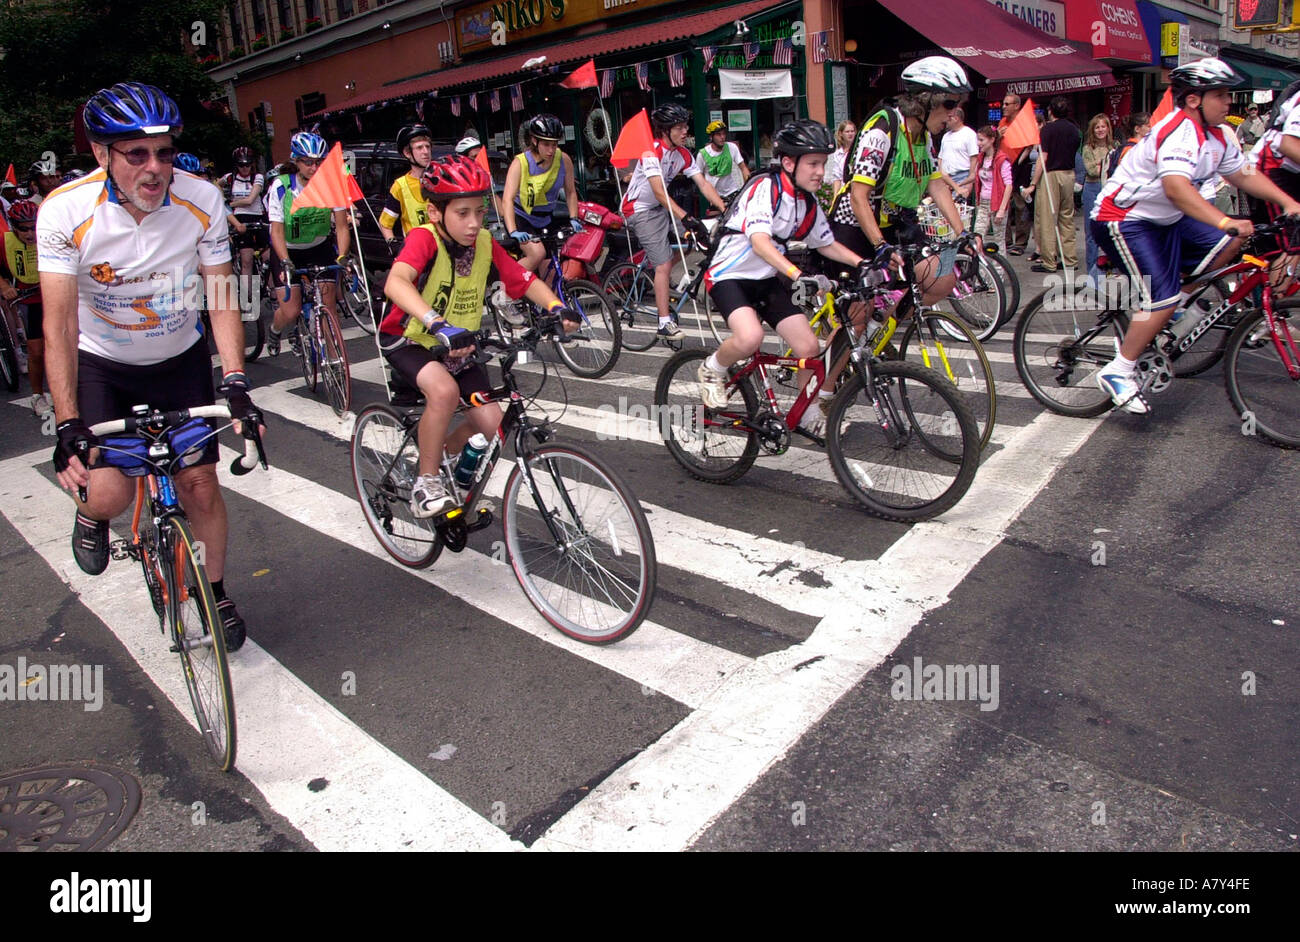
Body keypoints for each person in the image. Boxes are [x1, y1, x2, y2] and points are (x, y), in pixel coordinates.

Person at [38, 82, 261, 649]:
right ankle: (94, 516)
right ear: (101, 154)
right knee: (109, 493)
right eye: (136, 153)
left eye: (163, 152)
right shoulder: (64, 212)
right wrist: (66, 422)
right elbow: (60, 324)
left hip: (178, 358)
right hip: (104, 365)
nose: (155, 167)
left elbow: (222, 296)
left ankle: (212, 591)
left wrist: (235, 380)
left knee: (201, 485)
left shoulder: (202, 199)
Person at [1091, 58, 1300, 414]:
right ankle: (1119, 369)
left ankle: (1176, 304)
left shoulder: (1218, 136)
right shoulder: (1180, 132)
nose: (1228, 102)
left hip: (1167, 218)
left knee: (1232, 243)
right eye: (1220, 95)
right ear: (1193, 100)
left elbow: (1245, 174)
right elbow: (1176, 189)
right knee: (1165, 294)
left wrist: (1288, 202)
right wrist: (1222, 220)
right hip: (1125, 218)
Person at [378, 155, 579, 517]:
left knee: (491, 424)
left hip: (459, 344)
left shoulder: (484, 243)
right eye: (462, 213)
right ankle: (426, 482)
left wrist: (556, 307)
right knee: (444, 391)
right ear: (436, 212)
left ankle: (439, 459)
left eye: (479, 211)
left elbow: (523, 280)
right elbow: (396, 282)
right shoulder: (424, 239)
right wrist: (436, 322)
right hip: (410, 339)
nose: (473, 223)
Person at [696, 120, 870, 435]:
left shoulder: (807, 202)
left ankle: (807, 414)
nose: (821, 171)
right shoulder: (766, 188)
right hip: (728, 276)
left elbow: (827, 244)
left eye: (824, 163)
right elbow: (760, 242)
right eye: (813, 163)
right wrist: (798, 274)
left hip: (763, 280)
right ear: (789, 163)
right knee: (750, 338)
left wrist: (865, 263)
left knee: (807, 346)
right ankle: (712, 368)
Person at [827, 55, 975, 310]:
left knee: (943, 277)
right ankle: (854, 342)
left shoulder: (924, 136)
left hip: (895, 223)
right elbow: (858, 196)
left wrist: (964, 234)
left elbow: (937, 185)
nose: (953, 113)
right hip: (856, 226)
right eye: (949, 103)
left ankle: (882, 336)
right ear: (925, 101)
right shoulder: (882, 132)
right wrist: (880, 247)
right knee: (858, 314)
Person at [621, 102, 726, 338]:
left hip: (663, 207)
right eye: (679, 127)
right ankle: (663, 322)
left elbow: (703, 184)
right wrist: (685, 216)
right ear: (665, 130)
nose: (685, 131)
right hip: (639, 210)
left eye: (685, 126)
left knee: (696, 242)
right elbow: (659, 192)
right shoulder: (651, 152)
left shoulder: (684, 155)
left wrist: (723, 207)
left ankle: (660, 267)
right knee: (664, 265)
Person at [265, 131, 350, 356]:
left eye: (319, 162)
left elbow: (342, 226)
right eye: (308, 162)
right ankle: (276, 329)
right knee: (291, 311)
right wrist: (284, 261)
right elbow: (276, 229)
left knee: (328, 305)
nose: (314, 168)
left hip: (319, 247)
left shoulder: (331, 185)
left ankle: (334, 362)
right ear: (296, 160)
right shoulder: (281, 186)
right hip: (288, 250)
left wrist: (342, 256)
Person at [502, 114, 581, 274]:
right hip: (521, 217)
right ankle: (505, 288)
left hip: (545, 218)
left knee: (551, 270)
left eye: (554, 144)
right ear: (534, 141)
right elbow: (507, 200)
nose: (551, 150)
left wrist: (574, 218)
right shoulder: (520, 162)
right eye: (546, 144)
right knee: (537, 254)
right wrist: (513, 231)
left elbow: (571, 191)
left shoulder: (563, 160)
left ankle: (540, 298)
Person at [0, 198, 47, 414]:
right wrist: (4, 286)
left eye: (33, 227)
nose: (30, 234)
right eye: (23, 229)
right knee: (36, 351)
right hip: (29, 300)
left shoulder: (50, 235)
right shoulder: (4, 243)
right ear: (14, 227)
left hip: (54, 295)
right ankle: (37, 396)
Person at [1248, 78, 1300, 266]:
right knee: (1291, 245)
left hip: (1292, 171)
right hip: (1272, 168)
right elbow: (1290, 145)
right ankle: (1280, 294)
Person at [1026, 97, 1081, 273]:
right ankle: (1070, 259)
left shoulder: (1048, 130)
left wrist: (1033, 182)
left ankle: (1049, 261)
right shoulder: (1074, 129)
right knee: (1067, 217)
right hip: (1069, 174)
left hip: (1051, 175)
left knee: (1048, 219)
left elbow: (1044, 157)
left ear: (1051, 111)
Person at [221, 146, 266, 309]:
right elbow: (213, 188)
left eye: (248, 164)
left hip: (258, 217)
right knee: (246, 260)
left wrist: (230, 203)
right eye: (241, 165)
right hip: (239, 219)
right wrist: (221, 200)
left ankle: (274, 294)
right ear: (236, 165)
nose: (245, 168)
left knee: (269, 256)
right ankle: (248, 299)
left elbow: (250, 200)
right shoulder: (230, 178)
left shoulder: (257, 177)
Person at [378, 124, 434, 244]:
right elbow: (385, 224)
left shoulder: (441, 178)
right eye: (419, 148)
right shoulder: (400, 186)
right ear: (407, 153)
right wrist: (393, 244)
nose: (426, 152)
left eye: (427, 147)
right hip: (417, 253)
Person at [1080, 114, 1117, 281]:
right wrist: (1105, 163)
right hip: (1092, 189)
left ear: (1108, 128)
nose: (1100, 130)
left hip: (1110, 189)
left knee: (1110, 231)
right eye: (1097, 127)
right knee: (1091, 234)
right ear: (1092, 130)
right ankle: (1092, 275)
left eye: (1103, 126)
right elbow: (1091, 171)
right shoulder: (1088, 148)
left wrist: (1100, 163)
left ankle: (1108, 270)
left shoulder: (1115, 146)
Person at [999, 93, 1034, 255]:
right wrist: (999, 136)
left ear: (1016, 106)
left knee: (1021, 205)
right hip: (1004, 166)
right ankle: (1006, 240)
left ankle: (1020, 242)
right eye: (1003, 104)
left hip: (1020, 166)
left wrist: (1019, 162)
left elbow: (1030, 145)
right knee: (1004, 204)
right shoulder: (1002, 122)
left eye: (1007, 104)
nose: (1003, 107)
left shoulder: (1023, 122)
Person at [970, 126, 1012, 243]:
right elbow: (973, 177)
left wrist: (1002, 210)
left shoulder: (1002, 159)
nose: (978, 143)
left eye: (981, 140)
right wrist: (957, 185)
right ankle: (978, 261)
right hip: (982, 203)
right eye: (978, 140)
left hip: (998, 203)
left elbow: (1009, 185)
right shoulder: (981, 158)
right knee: (977, 237)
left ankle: (999, 261)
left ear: (992, 139)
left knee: (999, 239)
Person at [697, 121, 750, 206]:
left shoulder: (732, 147)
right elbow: (699, 178)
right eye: (718, 134)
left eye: (724, 134)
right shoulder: (702, 154)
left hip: (732, 191)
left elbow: (743, 167)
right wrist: (708, 194)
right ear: (711, 137)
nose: (722, 137)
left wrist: (749, 186)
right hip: (714, 195)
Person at [455, 135, 505, 220]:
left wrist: (506, 218)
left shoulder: (485, 175)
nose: (478, 160)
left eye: (480, 156)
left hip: (483, 226)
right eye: (474, 157)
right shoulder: (456, 178)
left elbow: (493, 197)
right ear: (463, 159)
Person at [938, 105, 979, 200]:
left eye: (949, 118)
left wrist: (969, 180)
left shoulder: (969, 134)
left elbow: (974, 158)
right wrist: (941, 173)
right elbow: (940, 157)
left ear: (956, 118)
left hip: (962, 176)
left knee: (959, 208)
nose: (946, 121)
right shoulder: (945, 136)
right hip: (945, 177)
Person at [824, 120, 856, 191]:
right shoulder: (838, 154)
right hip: (843, 191)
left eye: (852, 131)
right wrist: (835, 197)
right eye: (847, 132)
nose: (850, 134)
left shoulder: (858, 151)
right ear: (841, 133)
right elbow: (837, 178)